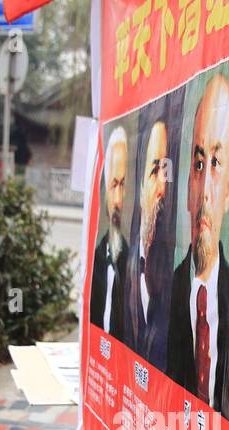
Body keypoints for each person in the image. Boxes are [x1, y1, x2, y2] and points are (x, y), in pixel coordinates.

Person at [167, 74, 229, 420]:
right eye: (198, 165)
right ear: (187, 186)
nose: (206, 191)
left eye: (216, 163)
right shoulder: (162, 297)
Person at [121, 97, 178, 372]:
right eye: (155, 171)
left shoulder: (178, 283)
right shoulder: (125, 265)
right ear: (139, 182)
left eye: (167, 173)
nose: (162, 189)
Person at [88, 125, 129, 338]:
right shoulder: (96, 258)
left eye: (123, 185)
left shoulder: (132, 264)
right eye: (114, 185)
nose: (118, 200)